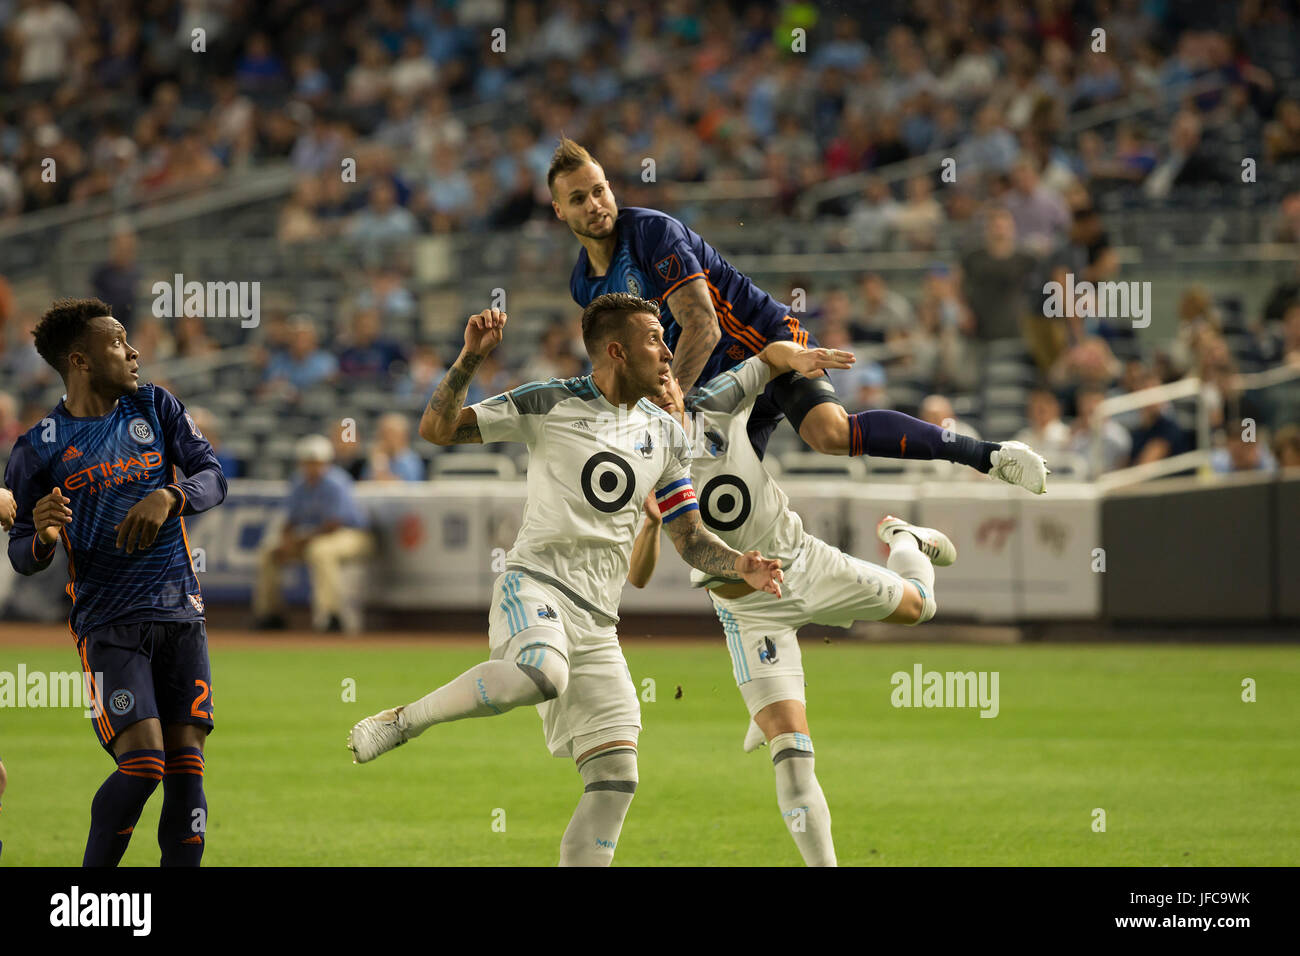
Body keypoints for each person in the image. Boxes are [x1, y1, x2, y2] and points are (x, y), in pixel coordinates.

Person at [347, 295, 785, 866]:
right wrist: (470, 359)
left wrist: (742, 563)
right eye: (654, 338)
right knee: (542, 672)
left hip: (599, 622)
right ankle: (403, 721)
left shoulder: (667, 433)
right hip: (535, 585)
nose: (667, 350)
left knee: (616, 777)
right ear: (615, 350)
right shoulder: (549, 401)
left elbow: (692, 538)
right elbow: (439, 429)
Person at [552, 138, 1047, 494]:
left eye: (599, 190)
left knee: (830, 434)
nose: (595, 204)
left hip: (764, 344)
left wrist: (673, 405)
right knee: (719, 510)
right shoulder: (583, 285)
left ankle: (989, 456)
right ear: (558, 211)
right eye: (579, 198)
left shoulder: (651, 233)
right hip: (715, 386)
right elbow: (620, 360)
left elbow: (704, 325)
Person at [629, 346, 960, 866]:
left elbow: (766, 358)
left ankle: (905, 541)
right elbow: (645, 573)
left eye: (667, 381)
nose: (665, 391)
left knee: (922, 607)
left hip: (806, 565)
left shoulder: (713, 404)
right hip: (750, 612)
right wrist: (651, 524)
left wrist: (799, 358)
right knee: (792, 757)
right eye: (651, 390)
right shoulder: (643, 465)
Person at [3, 297, 227, 866]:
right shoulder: (39, 447)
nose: (133, 352)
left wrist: (171, 493)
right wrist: (46, 537)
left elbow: (212, 478)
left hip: (180, 613)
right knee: (143, 765)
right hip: (108, 623)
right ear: (80, 361)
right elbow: (22, 553)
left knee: (186, 770)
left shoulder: (156, 407)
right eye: (117, 343)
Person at [253, 435, 373, 632]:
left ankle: (331, 616)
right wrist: (286, 541)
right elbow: (290, 520)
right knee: (269, 551)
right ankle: (270, 614)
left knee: (321, 551)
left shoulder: (336, 482)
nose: (312, 467)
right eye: (308, 463)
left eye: (317, 463)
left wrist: (300, 541)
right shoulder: (299, 483)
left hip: (353, 534)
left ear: (326, 463)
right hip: (313, 537)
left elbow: (334, 524)